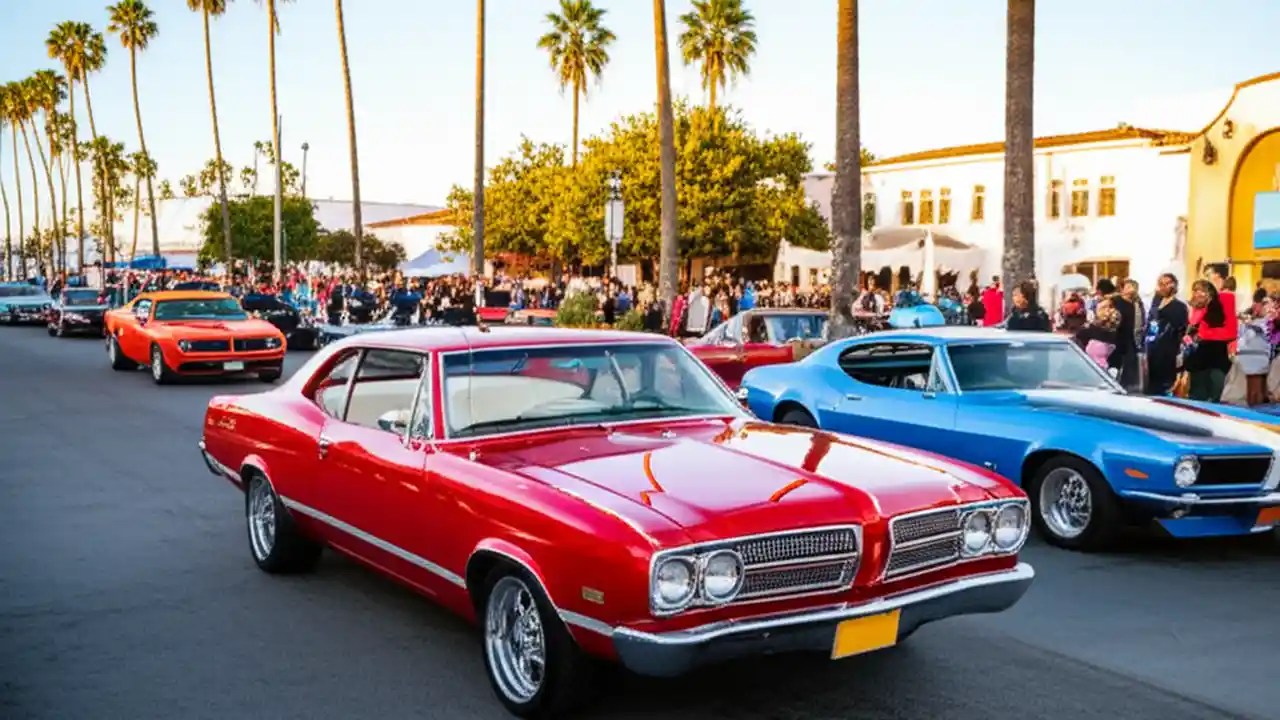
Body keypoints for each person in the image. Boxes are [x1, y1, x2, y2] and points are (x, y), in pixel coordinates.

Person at [1184, 279, 1233, 401]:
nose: (1197, 294)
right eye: (1195, 290)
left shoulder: (1220, 306)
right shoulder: (1194, 309)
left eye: (1200, 290)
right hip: (1198, 358)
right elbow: (1191, 330)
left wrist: (1203, 334)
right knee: (1197, 394)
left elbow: (1229, 331)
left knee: (1215, 392)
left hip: (1216, 358)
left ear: (1209, 292)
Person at [1145, 273, 1188, 395]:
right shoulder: (1156, 303)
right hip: (1153, 348)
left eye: (1167, 283)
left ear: (1174, 285)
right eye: (1161, 284)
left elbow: (1181, 329)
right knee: (1153, 383)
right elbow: (1150, 322)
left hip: (1169, 350)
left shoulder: (1179, 306)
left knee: (1167, 383)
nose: (1164, 287)